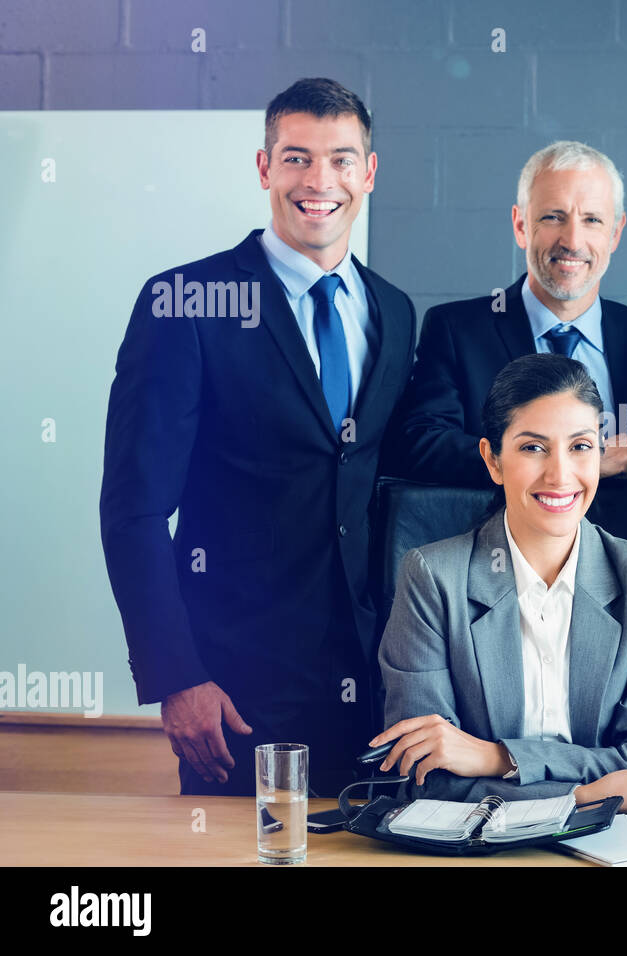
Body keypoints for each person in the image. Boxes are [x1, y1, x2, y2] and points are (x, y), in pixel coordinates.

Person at [99, 78, 416, 797]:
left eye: (340, 159)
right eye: (297, 158)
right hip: (235, 694)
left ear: (368, 172)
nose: (319, 181)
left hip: (374, 692)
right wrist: (176, 677)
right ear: (265, 167)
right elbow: (133, 511)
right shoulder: (185, 303)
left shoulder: (394, 311)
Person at [374, 353, 627, 809]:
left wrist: (497, 758)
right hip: (478, 839)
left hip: (612, 838)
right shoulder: (433, 579)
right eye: (533, 448)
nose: (560, 475)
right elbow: (429, 774)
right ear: (493, 461)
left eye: (580, 446)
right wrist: (583, 796)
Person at [383, 141, 627, 493]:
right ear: (520, 225)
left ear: (615, 233)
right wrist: (568, 458)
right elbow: (423, 444)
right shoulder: (457, 330)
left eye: (592, 220)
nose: (572, 240)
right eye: (553, 217)